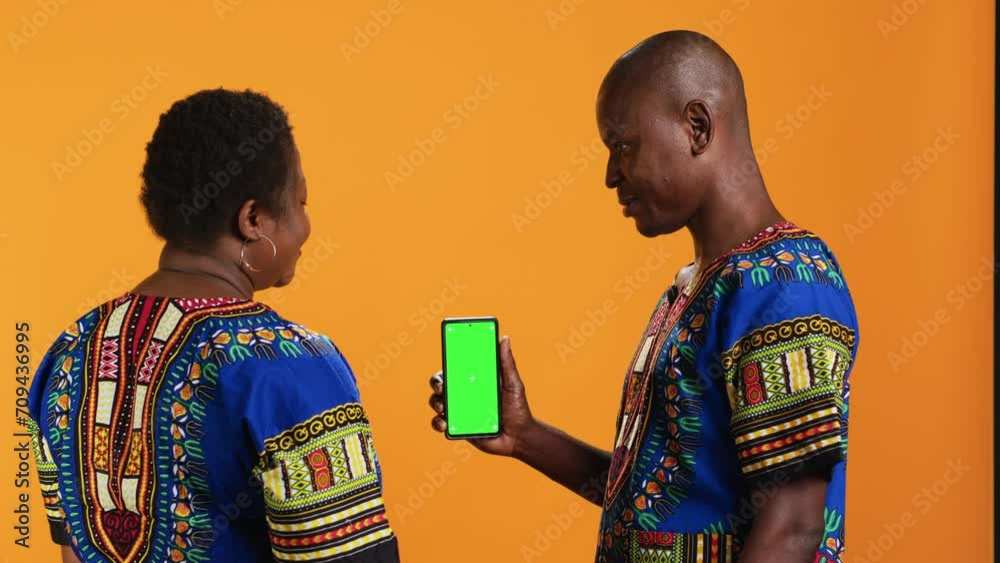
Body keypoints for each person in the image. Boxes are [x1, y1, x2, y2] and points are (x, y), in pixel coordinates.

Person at [427, 30, 858, 563]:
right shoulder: (699, 285)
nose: (611, 175)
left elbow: (792, 531)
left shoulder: (785, 285)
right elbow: (651, 504)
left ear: (696, 127)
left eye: (623, 146)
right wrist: (525, 436)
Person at [27, 89, 400, 562]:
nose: (306, 226)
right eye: (301, 202)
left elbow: (73, 552)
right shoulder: (289, 366)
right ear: (253, 219)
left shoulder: (69, 351)